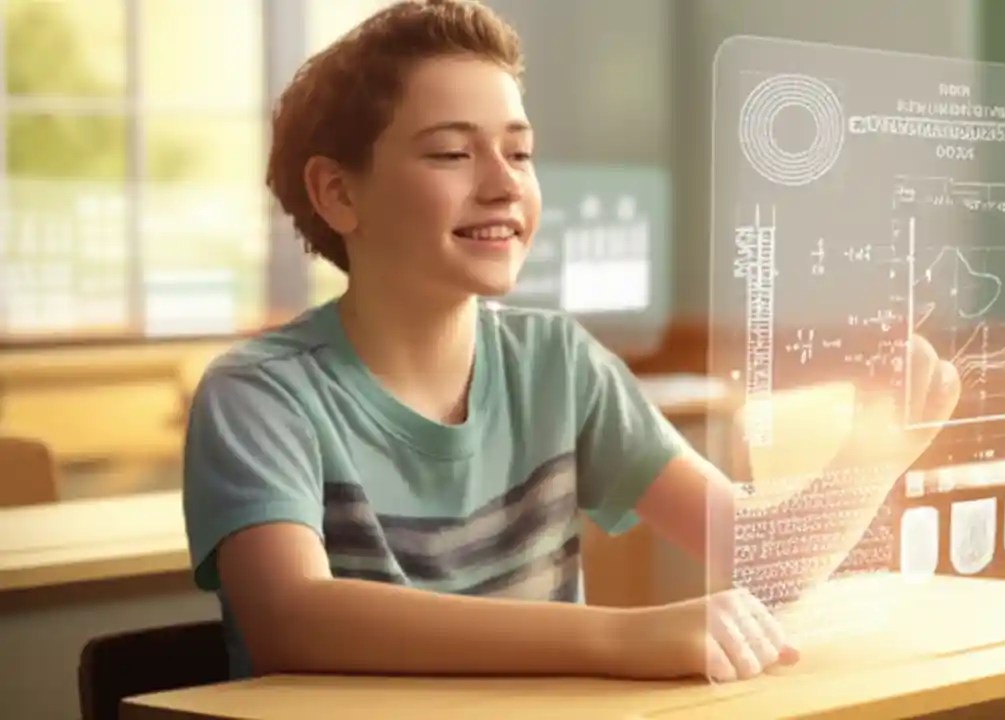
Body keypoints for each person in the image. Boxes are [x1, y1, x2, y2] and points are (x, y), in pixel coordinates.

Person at [182, 0, 960, 685]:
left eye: (519, 152)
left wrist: (873, 452)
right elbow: (292, 619)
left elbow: (757, 559)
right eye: (452, 152)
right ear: (338, 192)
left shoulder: (558, 362)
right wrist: (622, 636)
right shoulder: (259, 394)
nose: (503, 184)